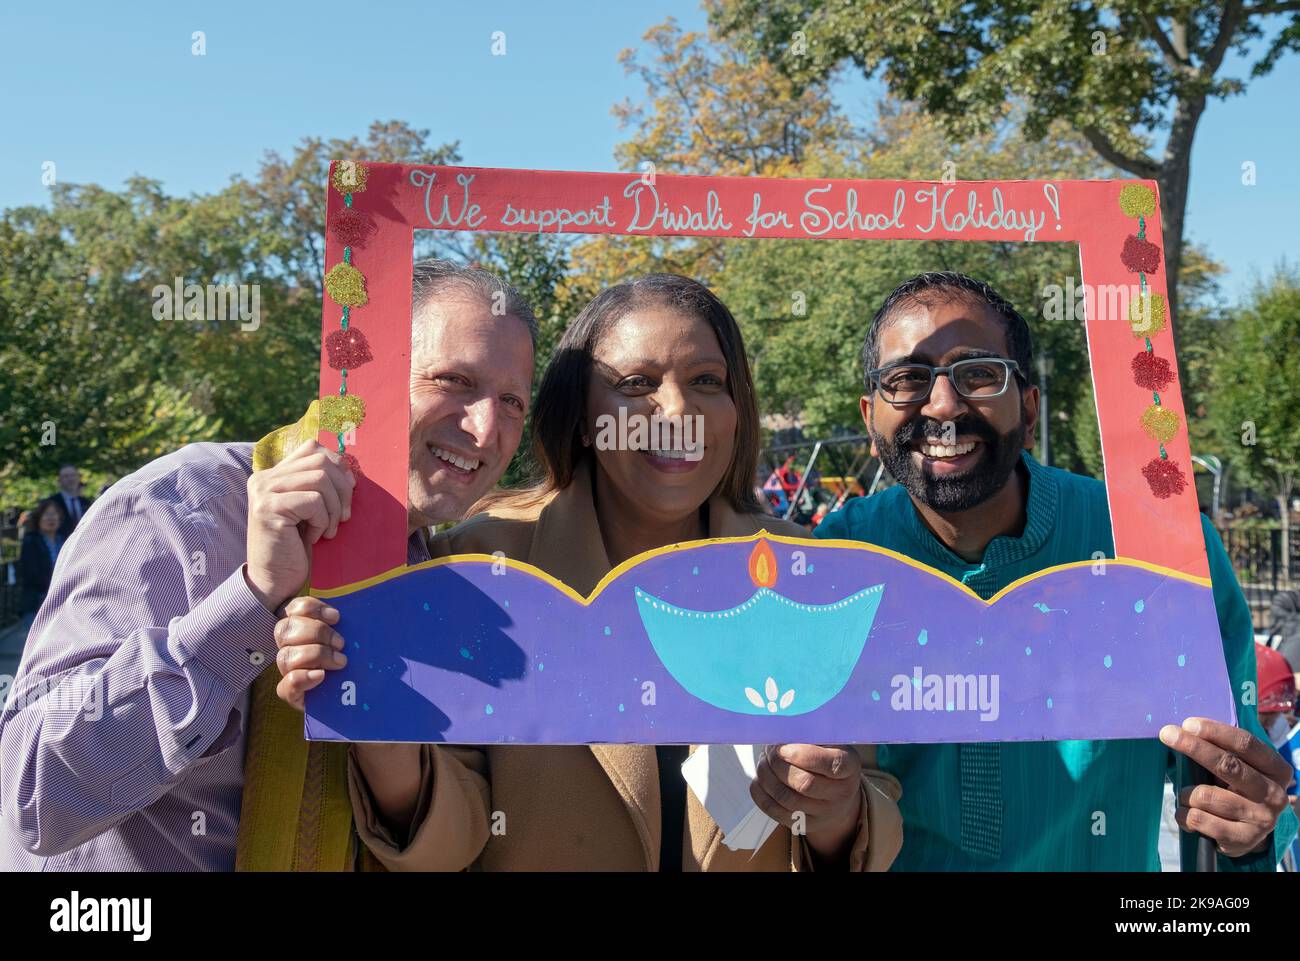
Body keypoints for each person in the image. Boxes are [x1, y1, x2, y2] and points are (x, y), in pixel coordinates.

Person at [274, 274, 904, 871]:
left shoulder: (810, 572)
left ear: (738, 410)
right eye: (636, 383)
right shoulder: (479, 567)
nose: (677, 409)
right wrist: (380, 728)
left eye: (708, 380)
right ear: (581, 416)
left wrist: (835, 812)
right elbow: (443, 842)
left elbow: (862, 803)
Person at [0, 260, 537, 870]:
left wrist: (387, 738)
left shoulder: (437, 577)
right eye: (455, 381)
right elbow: (32, 799)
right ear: (368, 379)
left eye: (513, 401)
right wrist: (251, 599)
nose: (486, 427)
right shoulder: (184, 505)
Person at [814, 270, 1297, 870]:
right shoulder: (834, 563)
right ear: (870, 416)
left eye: (980, 374)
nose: (943, 406)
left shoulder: (1160, 553)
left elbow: (1229, 806)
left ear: (1030, 407)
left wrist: (1247, 833)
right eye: (908, 379)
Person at [16, 501, 64, 636]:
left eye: (54, 515)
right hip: (37, 601)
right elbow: (31, 573)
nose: (51, 519)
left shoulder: (65, 540)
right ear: (39, 519)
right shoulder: (31, 541)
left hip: (61, 602)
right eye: (47, 515)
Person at [44, 464, 94, 537]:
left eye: (73, 475)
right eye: (66, 476)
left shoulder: (86, 502)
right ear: (59, 480)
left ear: (79, 478)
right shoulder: (52, 502)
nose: (70, 479)